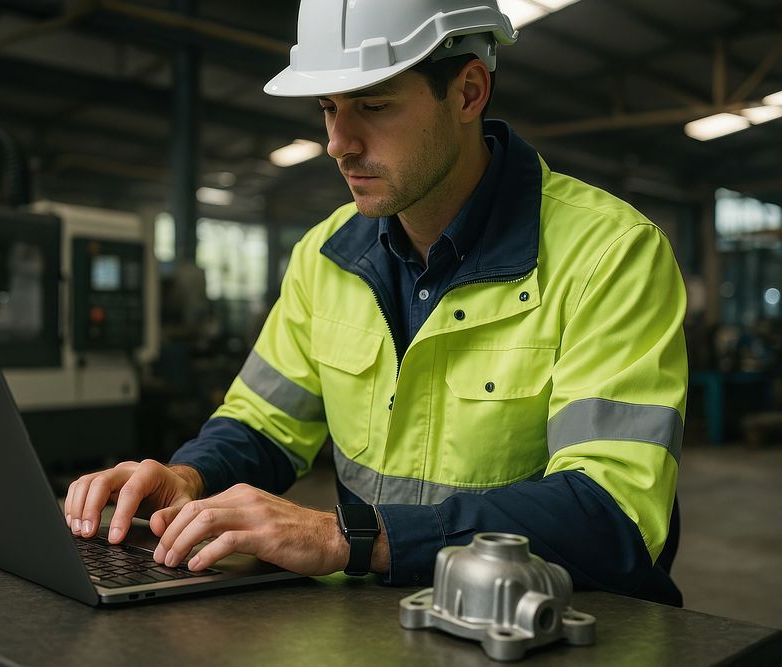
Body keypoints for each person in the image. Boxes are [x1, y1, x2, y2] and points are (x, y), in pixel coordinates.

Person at [64, 0, 687, 605]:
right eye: (330, 108)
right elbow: (264, 424)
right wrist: (188, 477)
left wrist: (350, 537)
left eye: (374, 106)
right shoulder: (326, 254)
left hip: (552, 626)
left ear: (469, 92)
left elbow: (613, 511)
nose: (339, 142)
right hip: (382, 620)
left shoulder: (610, 255)